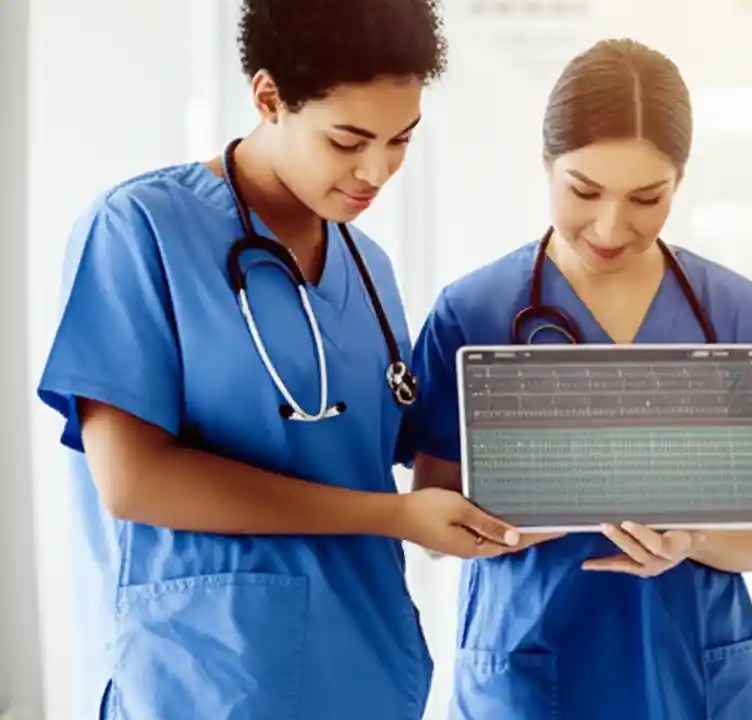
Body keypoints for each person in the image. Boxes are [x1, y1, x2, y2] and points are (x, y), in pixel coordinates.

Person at [35, 2, 527, 718]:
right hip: (206, 674)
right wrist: (392, 517)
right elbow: (133, 480)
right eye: (347, 140)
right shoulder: (140, 228)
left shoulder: (368, 267)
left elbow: (380, 459)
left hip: (363, 665)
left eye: (400, 140)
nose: (376, 170)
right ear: (268, 98)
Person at [408, 38, 752, 720]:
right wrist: (505, 527)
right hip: (528, 663)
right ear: (545, 165)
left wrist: (693, 541)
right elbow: (432, 514)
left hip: (694, 664)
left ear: (680, 183)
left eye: (646, 198)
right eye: (584, 191)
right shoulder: (474, 311)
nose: (610, 225)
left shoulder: (739, 314)